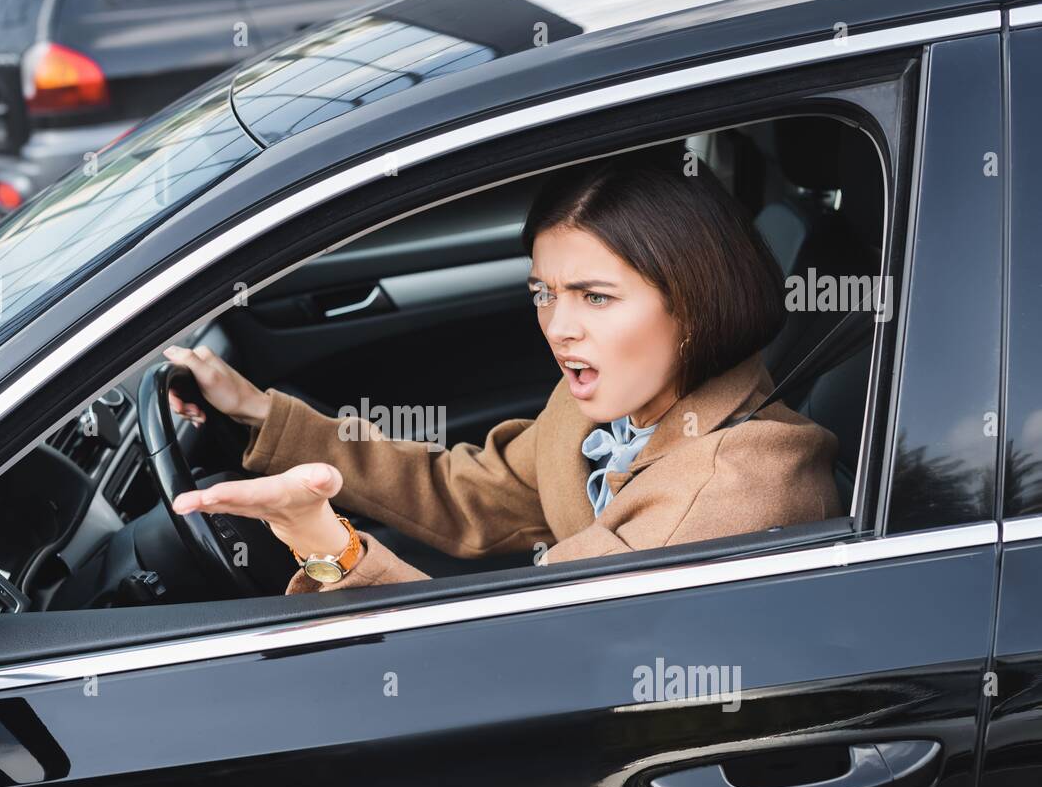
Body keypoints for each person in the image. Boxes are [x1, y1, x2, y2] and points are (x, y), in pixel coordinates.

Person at [165, 154, 841, 593]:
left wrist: (323, 544)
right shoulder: (603, 407)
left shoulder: (725, 497)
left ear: (694, 306)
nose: (557, 326)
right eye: (544, 292)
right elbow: (469, 491)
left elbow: (506, 667)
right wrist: (260, 413)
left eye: (594, 296)